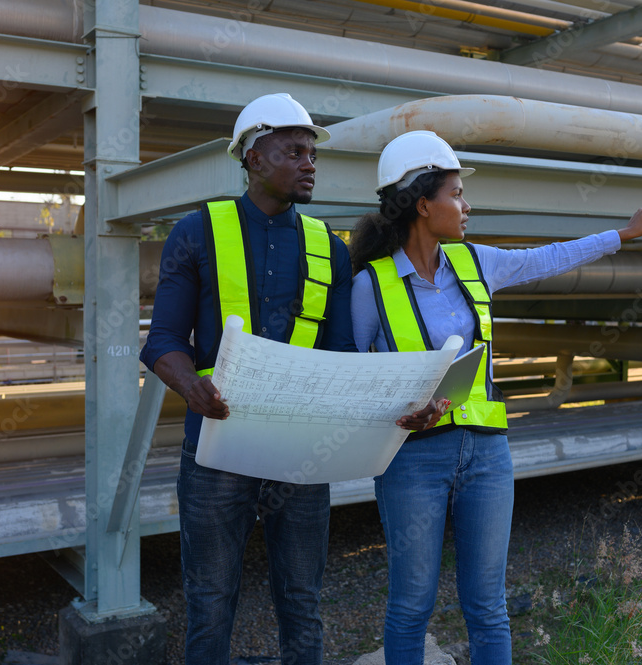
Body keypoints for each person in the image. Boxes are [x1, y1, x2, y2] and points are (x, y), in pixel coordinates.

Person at [140, 94, 440, 665]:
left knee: (302, 603)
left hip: (302, 455)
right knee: (210, 603)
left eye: (312, 154)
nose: (309, 163)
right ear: (253, 157)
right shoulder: (196, 233)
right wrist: (191, 385)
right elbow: (163, 341)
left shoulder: (329, 248)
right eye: (294, 151)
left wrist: (405, 401)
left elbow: (344, 358)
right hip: (217, 450)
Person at [349, 130, 642, 664]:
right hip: (412, 460)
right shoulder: (369, 286)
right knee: (411, 605)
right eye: (456, 194)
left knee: (488, 606)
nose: (466, 206)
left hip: (487, 455)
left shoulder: (477, 263)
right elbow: (354, 378)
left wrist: (623, 234)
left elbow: (550, 258)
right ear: (423, 205)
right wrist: (398, 409)